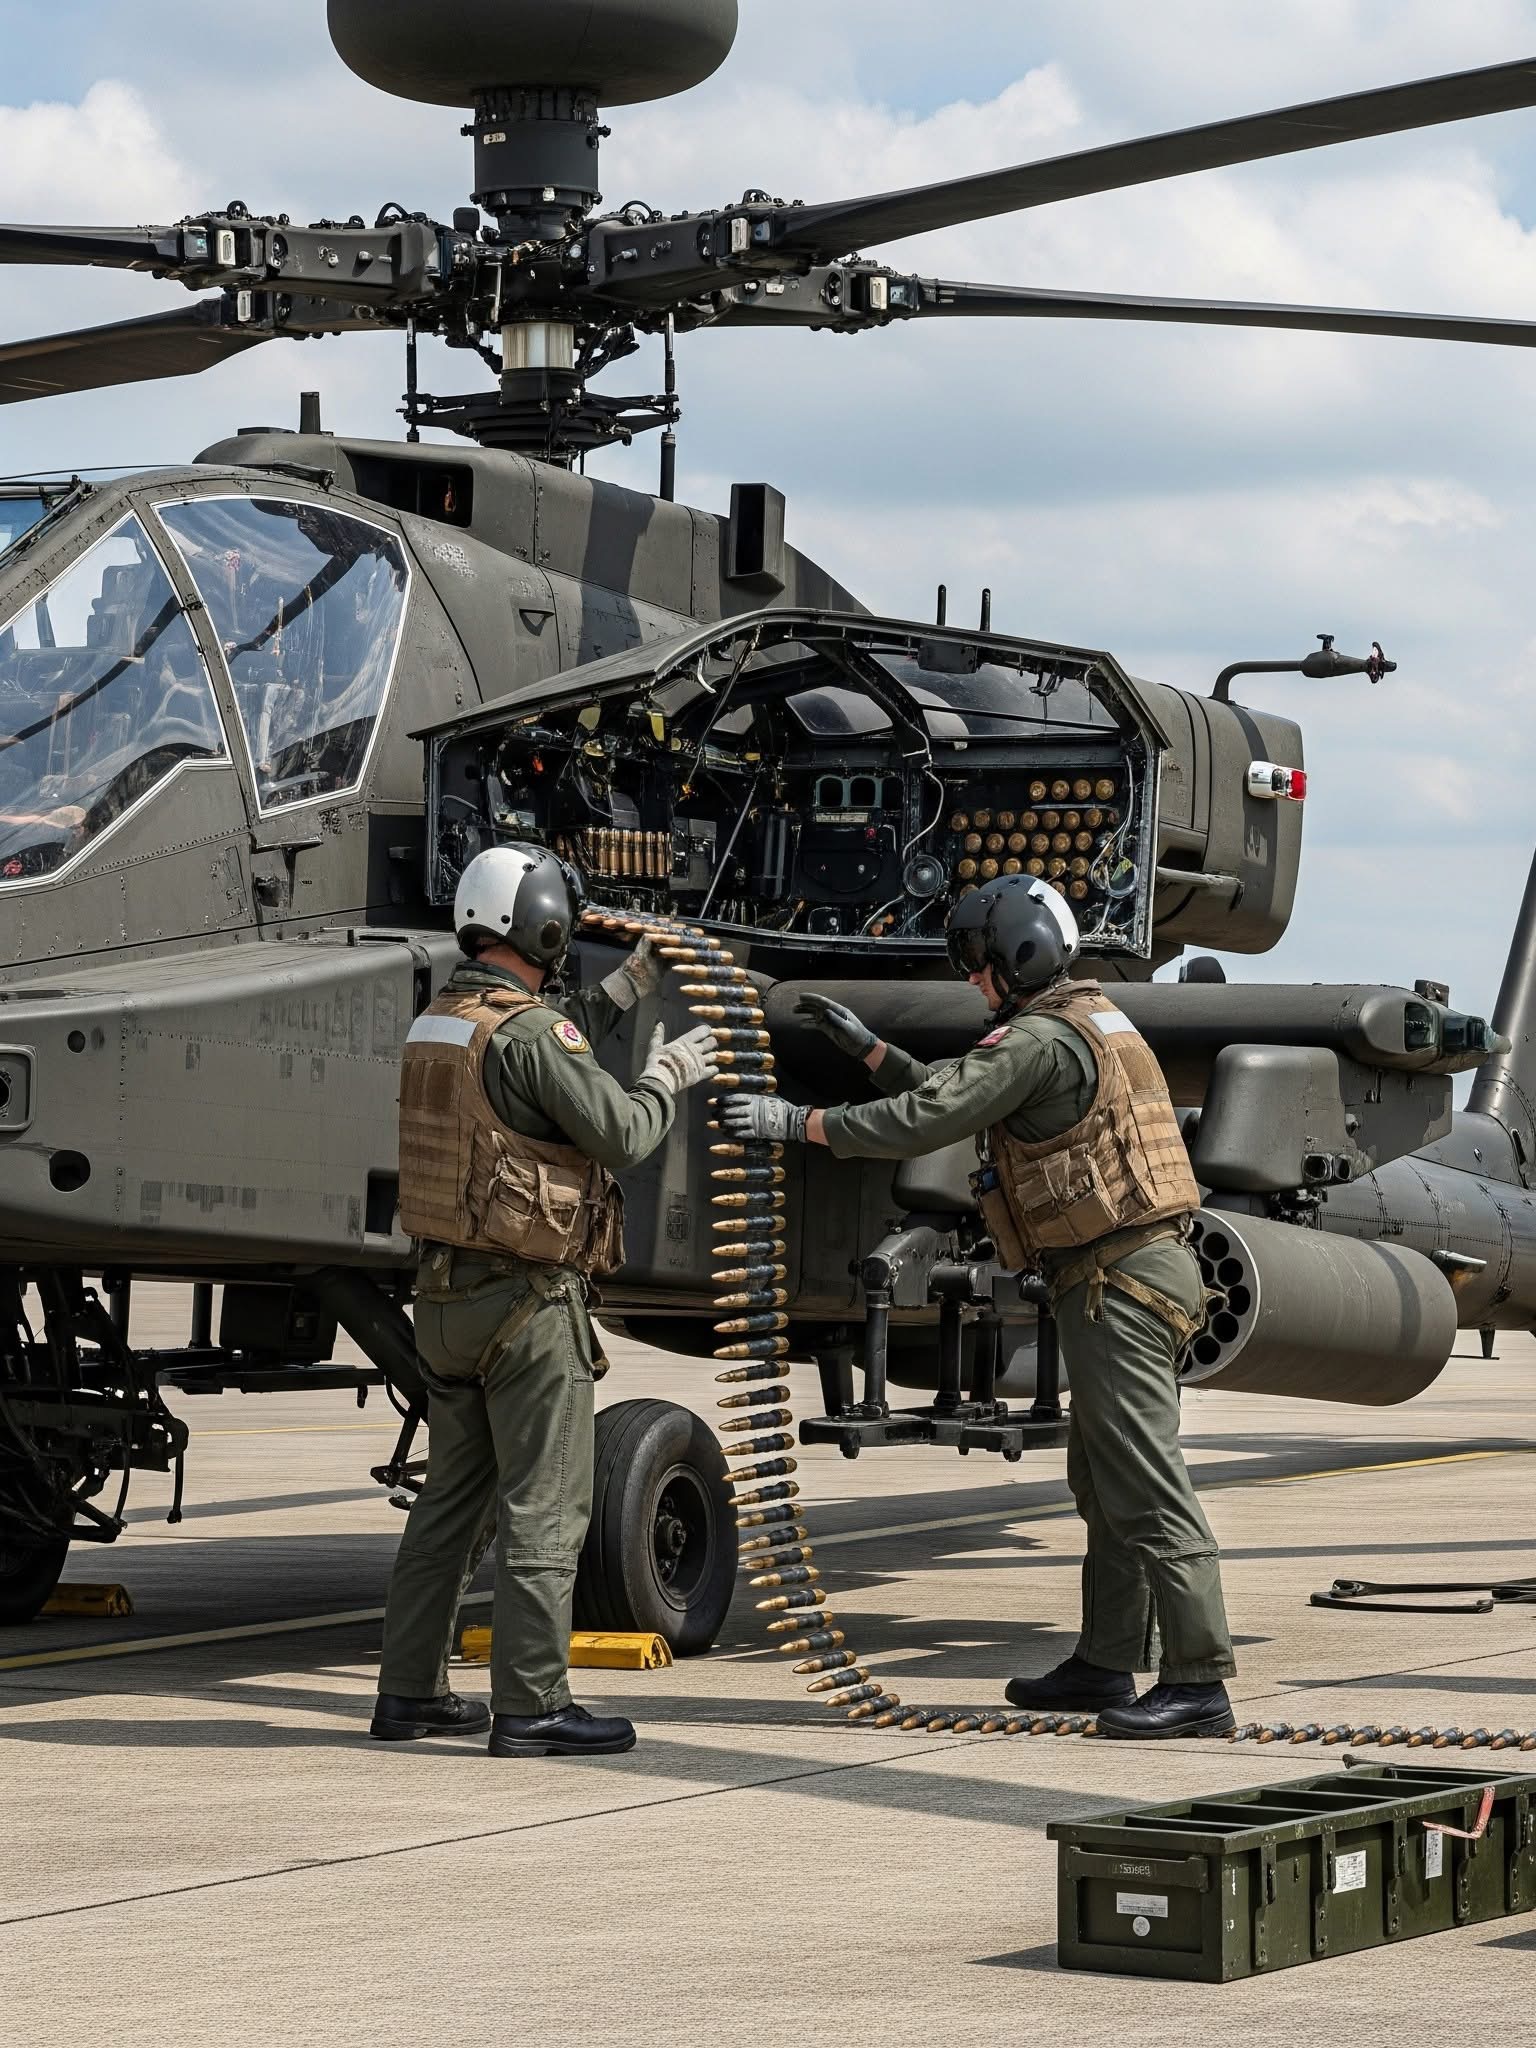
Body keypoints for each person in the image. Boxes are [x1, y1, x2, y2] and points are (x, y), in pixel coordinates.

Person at [719, 874, 1237, 1740]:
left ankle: (1198, 1680)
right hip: (1123, 1277)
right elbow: (968, 1093)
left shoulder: (1040, 1037)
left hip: (1117, 1284)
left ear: (1017, 955)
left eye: (976, 958)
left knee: (1145, 1484)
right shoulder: (1082, 1022)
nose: (969, 977)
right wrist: (875, 1055)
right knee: (1107, 1482)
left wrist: (799, 1123)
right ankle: (1107, 1661)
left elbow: (932, 1116)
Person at [372, 844, 719, 1757]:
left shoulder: (443, 1022)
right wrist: (667, 1077)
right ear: (546, 927)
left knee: (449, 1507)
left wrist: (623, 991)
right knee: (549, 1507)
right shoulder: (529, 1035)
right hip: (524, 1304)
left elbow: (535, 1057)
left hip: (444, 1300)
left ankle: (409, 1693)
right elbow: (620, 1131)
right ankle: (532, 1705)